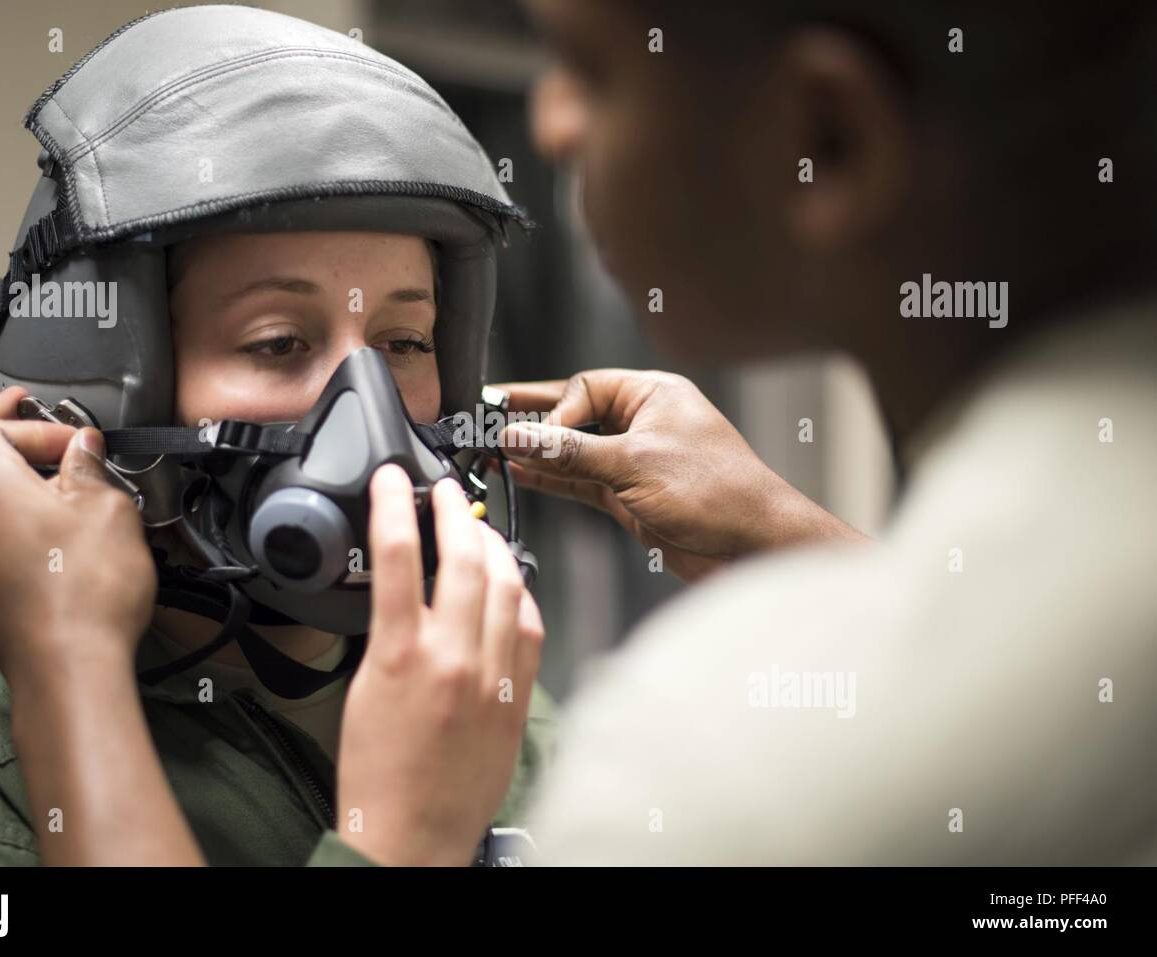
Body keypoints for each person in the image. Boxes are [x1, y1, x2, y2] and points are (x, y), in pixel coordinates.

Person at [0, 7, 551, 867]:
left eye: (404, 343)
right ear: (97, 396)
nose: (367, 411)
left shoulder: (490, 698)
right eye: (277, 343)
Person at [491, 0, 1156, 864]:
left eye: (591, 71)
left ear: (830, 141)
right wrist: (794, 537)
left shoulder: (707, 780)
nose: (549, 126)